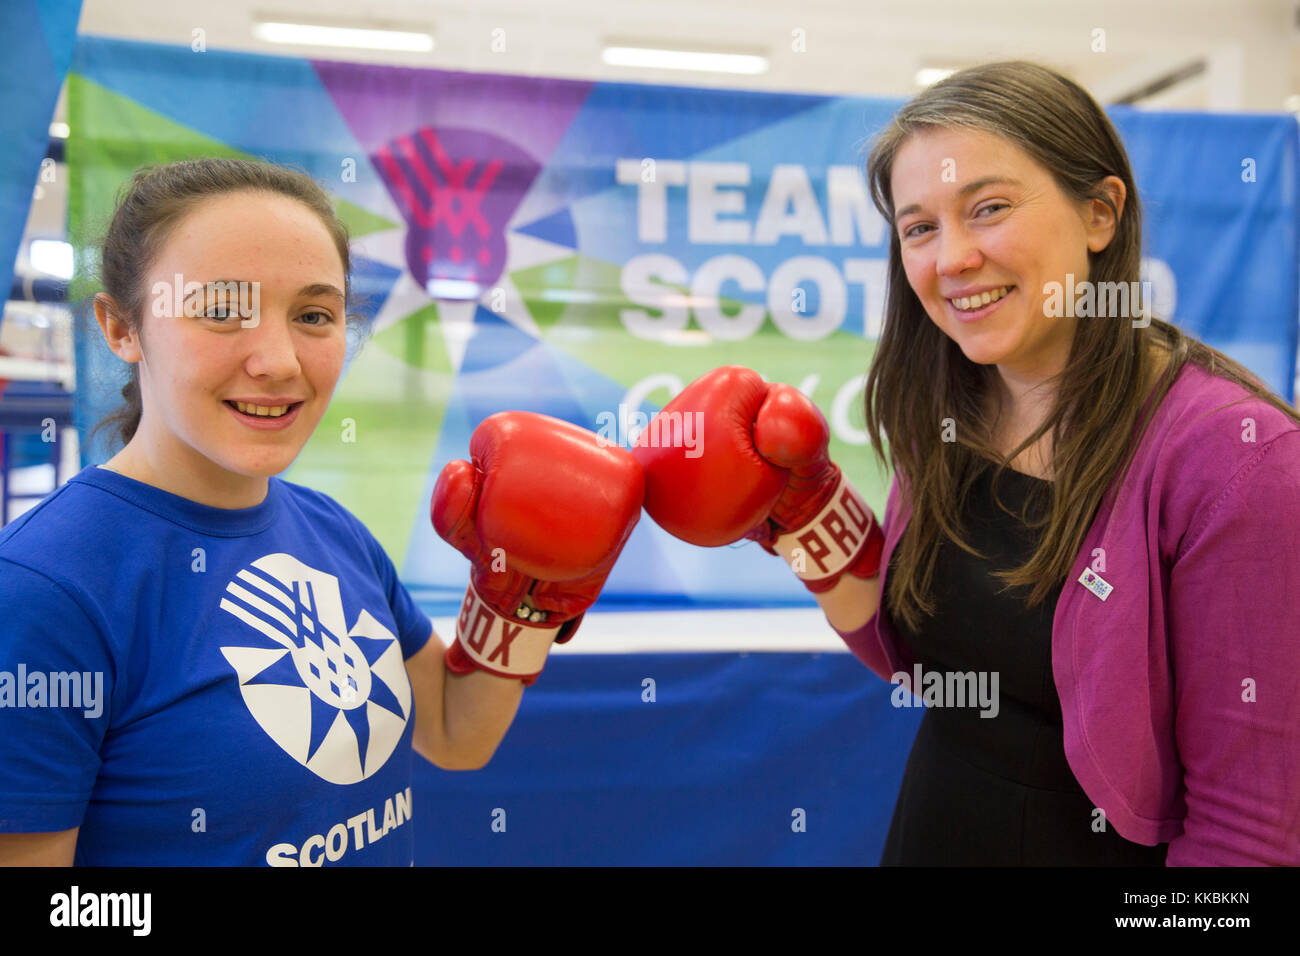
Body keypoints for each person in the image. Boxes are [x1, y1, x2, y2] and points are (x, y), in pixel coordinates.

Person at [634, 61, 1300, 865]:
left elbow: (1251, 837)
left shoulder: (1239, 462)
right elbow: (926, 666)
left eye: (988, 209)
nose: (951, 258)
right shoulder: (949, 404)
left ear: (1100, 212)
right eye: (919, 227)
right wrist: (813, 521)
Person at [0, 157, 642, 866]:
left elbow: (456, 734)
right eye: (221, 311)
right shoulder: (41, 589)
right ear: (121, 328)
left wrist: (521, 608)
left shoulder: (332, 530)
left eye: (313, 315)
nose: (277, 360)